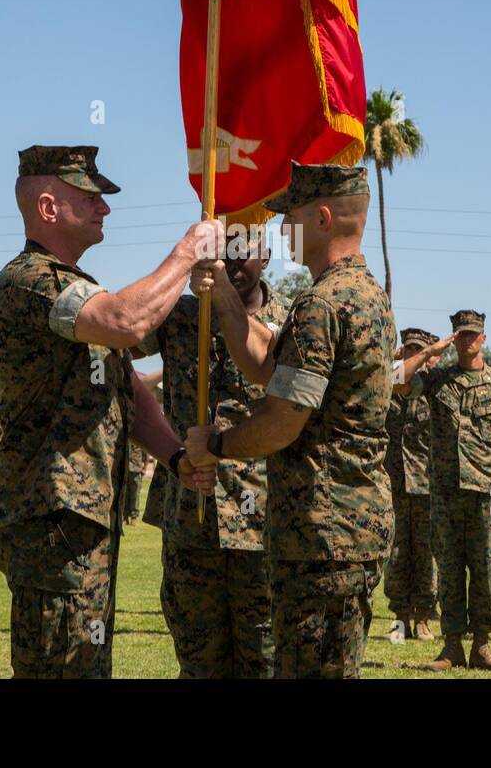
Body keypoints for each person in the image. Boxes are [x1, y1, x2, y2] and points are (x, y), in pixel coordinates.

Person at [0, 144, 214, 679]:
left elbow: (128, 392)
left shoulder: (75, 288)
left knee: (86, 665)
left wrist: (176, 454)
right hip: (52, 521)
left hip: (82, 519)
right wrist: (186, 253)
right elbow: (125, 323)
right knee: (60, 667)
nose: (104, 208)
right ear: (48, 207)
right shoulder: (28, 281)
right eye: (89, 198)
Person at [185, 161, 394, 679]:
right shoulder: (365, 295)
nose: (282, 229)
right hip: (343, 529)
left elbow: (283, 420)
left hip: (323, 535)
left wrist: (216, 443)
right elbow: (268, 369)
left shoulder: (323, 304)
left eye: (290, 217)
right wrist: (226, 298)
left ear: (322, 218)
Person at [130, 232, 284, 678]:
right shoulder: (179, 317)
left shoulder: (288, 324)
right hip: (189, 515)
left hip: (265, 520)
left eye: (246, 251)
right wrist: (178, 269)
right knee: (198, 660)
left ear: (267, 256)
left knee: (266, 658)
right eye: (224, 250)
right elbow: (118, 338)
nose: (234, 262)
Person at [394, 309, 491, 671]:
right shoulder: (437, 380)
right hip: (446, 492)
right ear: (453, 338)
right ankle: (451, 647)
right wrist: (427, 352)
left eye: (473, 334)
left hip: (487, 493)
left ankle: (482, 647)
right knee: (450, 570)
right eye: (461, 334)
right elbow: (395, 380)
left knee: (485, 570)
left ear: (483, 338)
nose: (468, 340)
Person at [383, 328, 440, 642]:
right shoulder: (388, 388)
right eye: (407, 349)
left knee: (426, 554)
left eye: (419, 350)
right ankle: (399, 619)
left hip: (426, 487)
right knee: (396, 554)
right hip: (392, 485)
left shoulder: (434, 393)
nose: (411, 354)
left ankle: (423, 618)